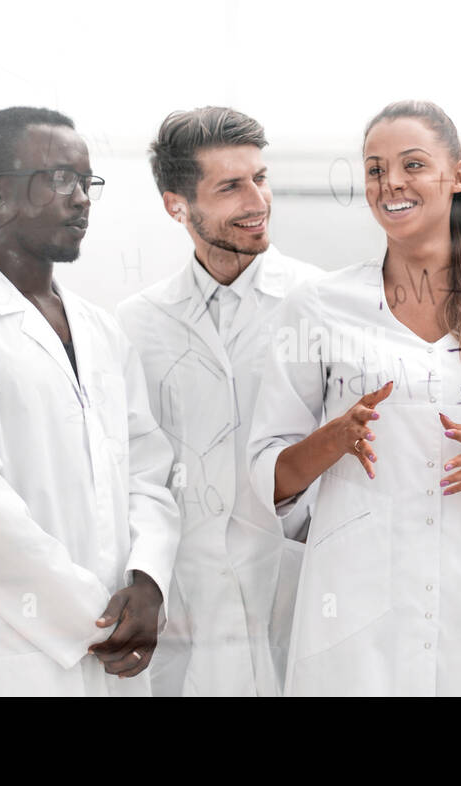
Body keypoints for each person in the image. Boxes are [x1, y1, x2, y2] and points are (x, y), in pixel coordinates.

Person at [247, 100, 461, 696]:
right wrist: (332, 440)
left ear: (457, 176)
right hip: (354, 612)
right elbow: (266, 478)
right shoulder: (319, 306)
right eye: (374, 169)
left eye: (412, 164)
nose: (390, 183)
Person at [0, 107, 180, 696]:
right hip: (24, 658)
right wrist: (96, 620)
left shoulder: (102, 331)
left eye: (86, 181)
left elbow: (149, 471)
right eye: (58, 179)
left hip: (122, 650)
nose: (81, 199)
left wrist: (148, 582)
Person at [117, 107, 322, 696]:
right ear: (176, 205)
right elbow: (137, 470)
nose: (256, 199)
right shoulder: (138, 324)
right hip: (187, 596)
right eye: (230, 186)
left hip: (296, 584)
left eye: (260, 177)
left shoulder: (319, 303)